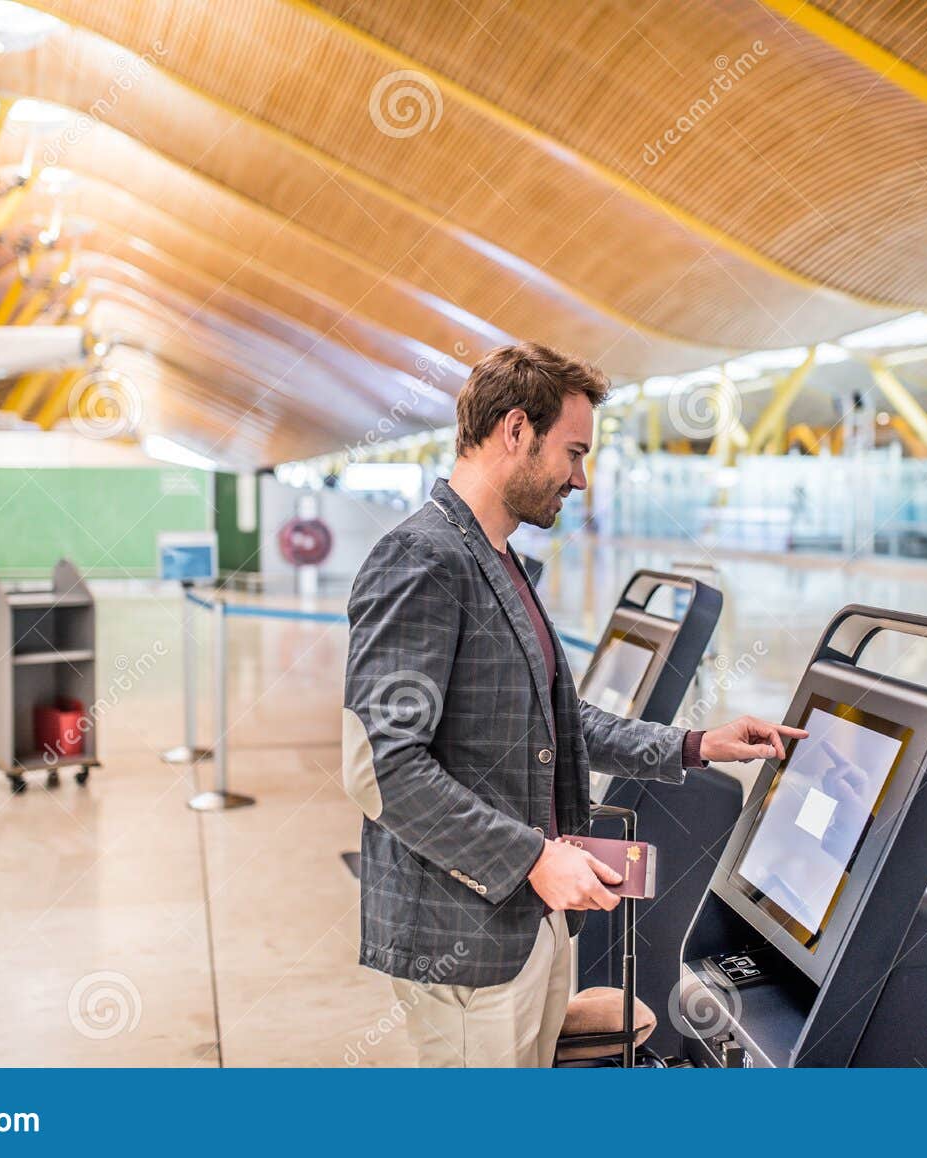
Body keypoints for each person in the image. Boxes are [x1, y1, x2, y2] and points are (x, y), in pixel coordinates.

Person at [342, 341, 803, 1067]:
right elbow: (383, 766)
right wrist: (530, 859)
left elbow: (559, 720)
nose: (581, 480)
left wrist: (694, 746)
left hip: (527, 919)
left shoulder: (497, 561)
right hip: (468, 939)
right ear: (516, 431)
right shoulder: (424, 559)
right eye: (575, 452)